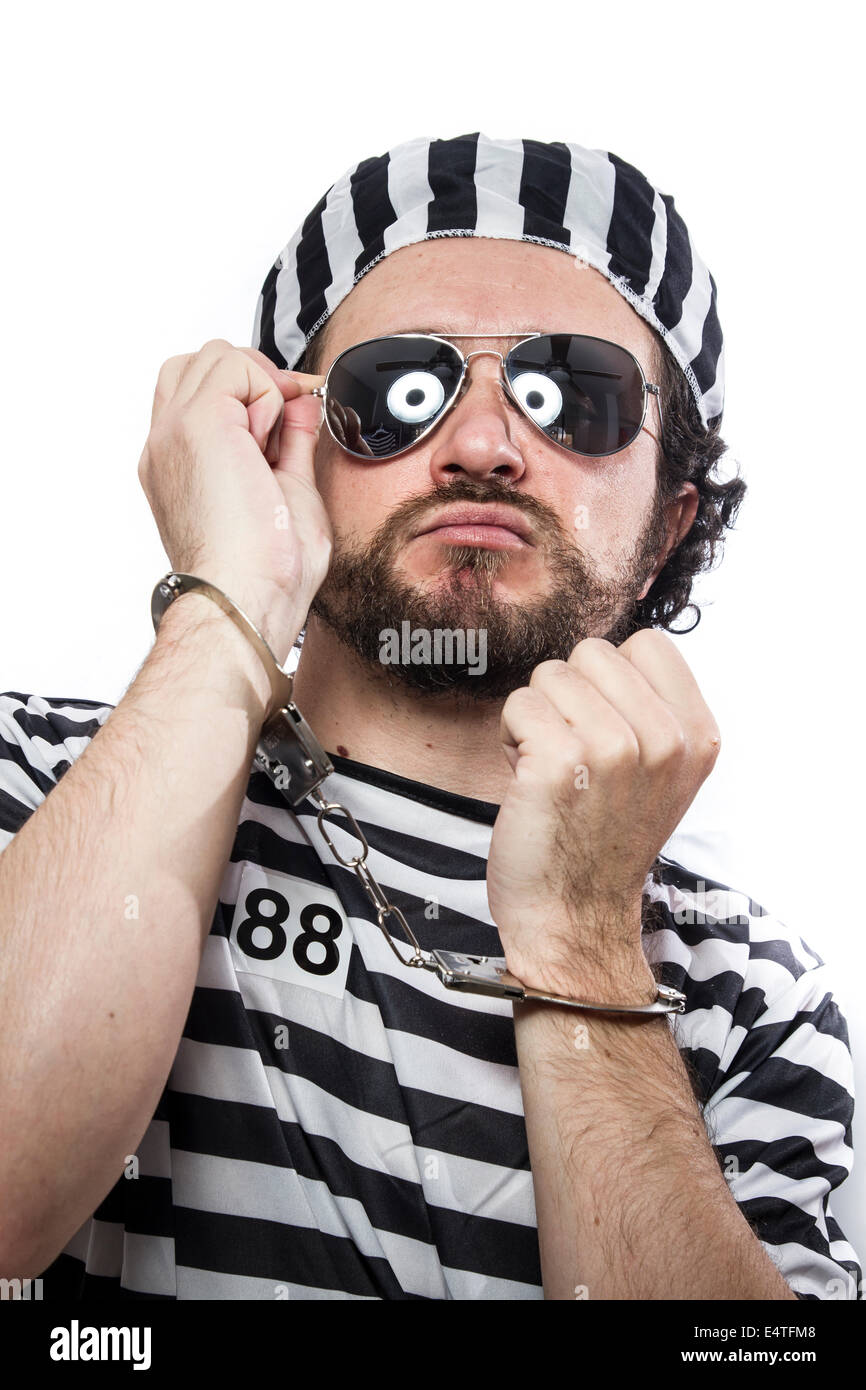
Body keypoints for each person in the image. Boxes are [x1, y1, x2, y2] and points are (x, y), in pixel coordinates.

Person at [0, 133, 859, 1301]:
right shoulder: (41, 780)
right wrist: (229, 599)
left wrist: (581, 931)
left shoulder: (744, 995)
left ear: (666, 521)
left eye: (574, 398)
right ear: (280, 454)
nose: (483, 446)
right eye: (400, 390)